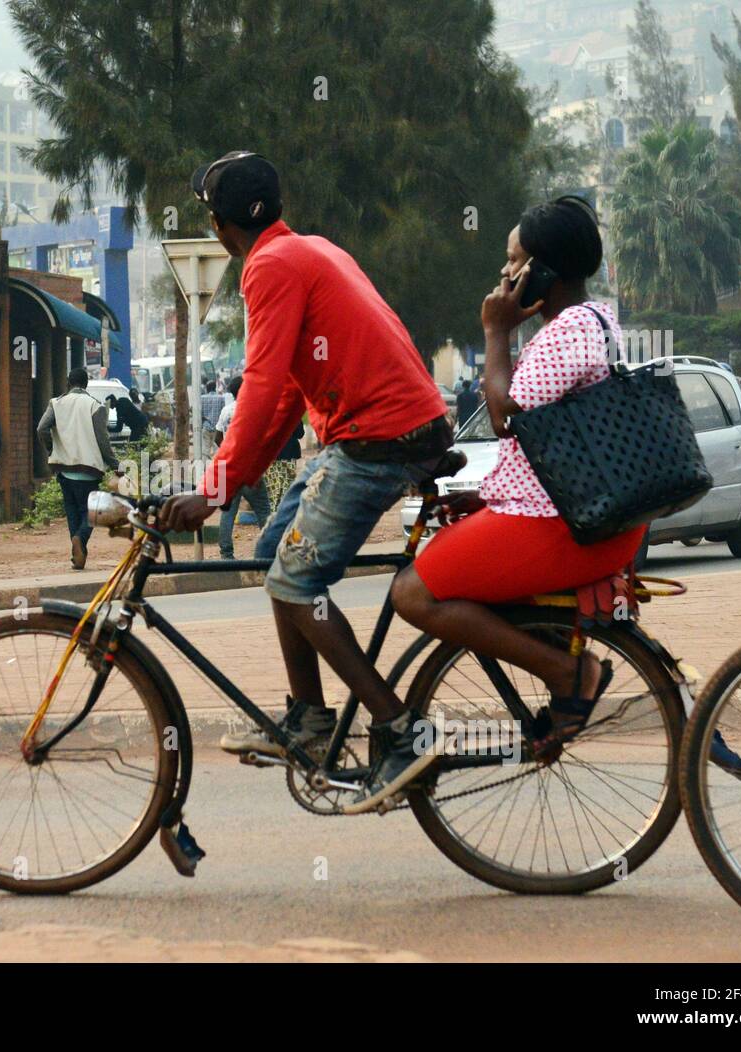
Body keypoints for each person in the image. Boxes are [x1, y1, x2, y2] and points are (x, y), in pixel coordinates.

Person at [159, 151, 452, 814]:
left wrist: (211, 490)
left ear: (216, 222)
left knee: (294, 581)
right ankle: (310, 719)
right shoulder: (304, 249)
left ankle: (402, 730)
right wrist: (229, 484)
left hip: (379, 439)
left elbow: (260, 386)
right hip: (386, 430)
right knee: (273, 557)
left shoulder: (268, 266)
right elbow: (287, 391)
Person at [391, 196, 648, 775]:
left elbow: (508, 417)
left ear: (546, 271)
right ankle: (557, 661)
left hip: (563, 529)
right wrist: (486, 496)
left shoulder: (568, 332)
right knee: (456, 576)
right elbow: (556, 445)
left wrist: (494, 330)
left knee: (413, 593)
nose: (505, 275)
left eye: (514, 261)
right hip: (572, 515)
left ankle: (568, 673)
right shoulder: (593, 320)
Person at [37, 367, 120, 570]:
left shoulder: (56, 404)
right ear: (86, 384)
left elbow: (41, 428)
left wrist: (52, 449)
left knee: (72, 511)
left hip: (64, 470)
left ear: (68, 382)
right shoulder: (95, 406)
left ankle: (77, 551)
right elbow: (103, 440)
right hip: (89, 470)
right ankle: (80, 539)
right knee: (91, 513)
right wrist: (116, 464)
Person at [213, 375, 272, 558]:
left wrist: (228, 451)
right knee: (264, 511)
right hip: (250, 467)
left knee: (228, 512)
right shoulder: (254, 409)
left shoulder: (226, 411)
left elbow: (217, 437)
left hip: (230, 468)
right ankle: (268, 551)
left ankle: (226, 553)